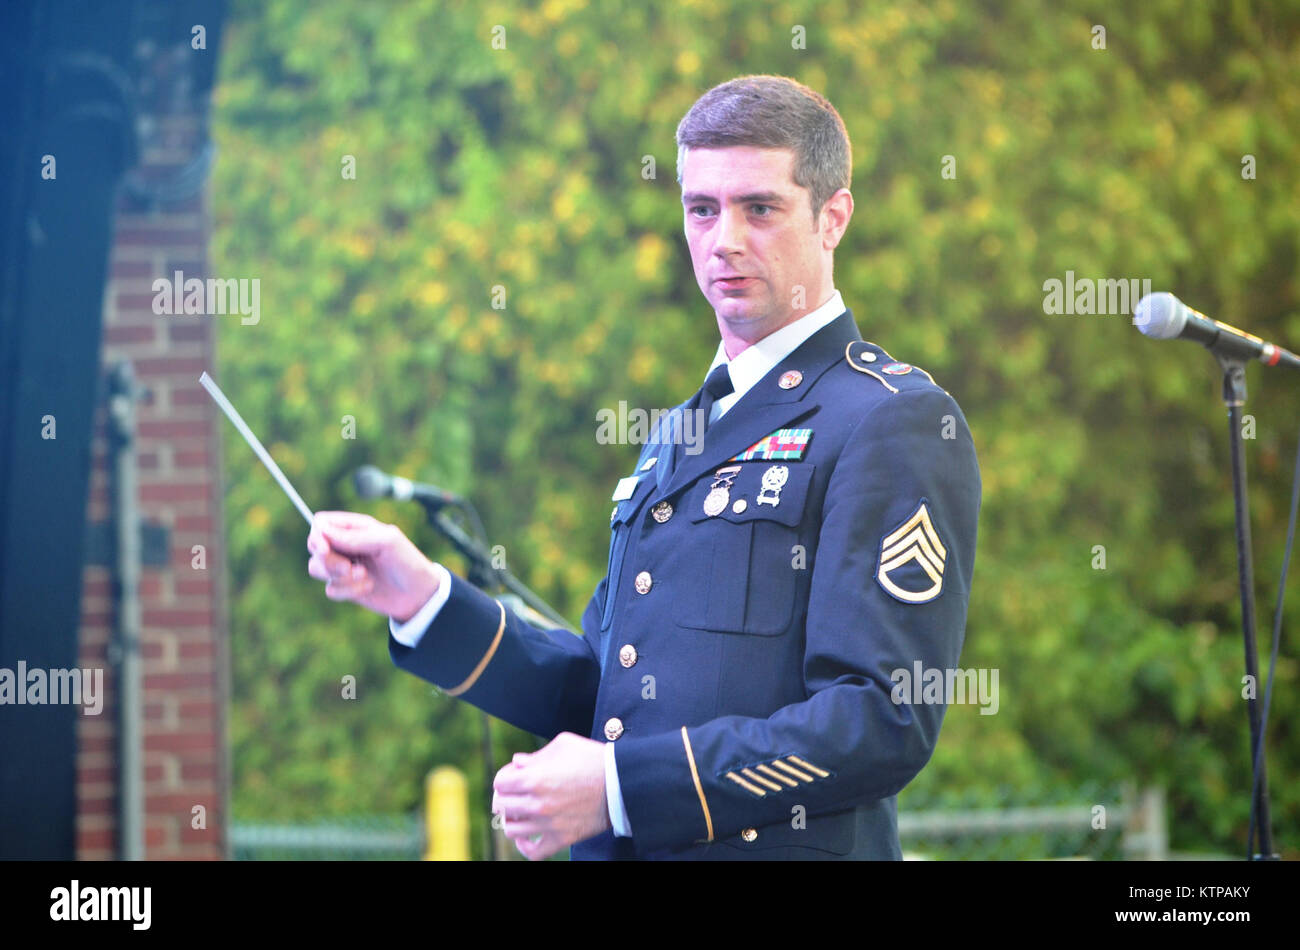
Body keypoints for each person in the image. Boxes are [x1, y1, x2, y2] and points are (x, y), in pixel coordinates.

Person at [307, 74, 981, 860]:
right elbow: (602, 691)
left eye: (759, 208)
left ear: (834, 216)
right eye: (702, 209)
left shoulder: (889, 419)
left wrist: (619, 787)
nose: (723, 238)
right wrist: (424, 599)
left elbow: (879, 722)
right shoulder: (680, 434)